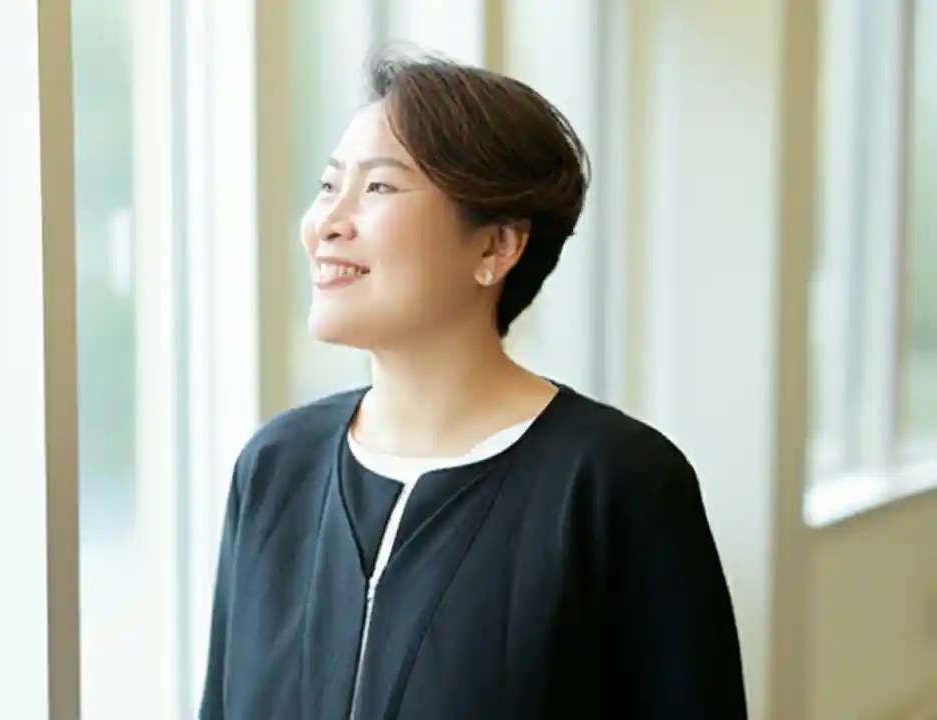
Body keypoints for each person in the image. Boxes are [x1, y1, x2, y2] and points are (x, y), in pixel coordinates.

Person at [198, 48, 747, 719]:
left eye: (377, 188)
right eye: (326, 186)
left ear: (495, 247)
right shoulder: (275, 467)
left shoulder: (617, 482)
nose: (326, 224)